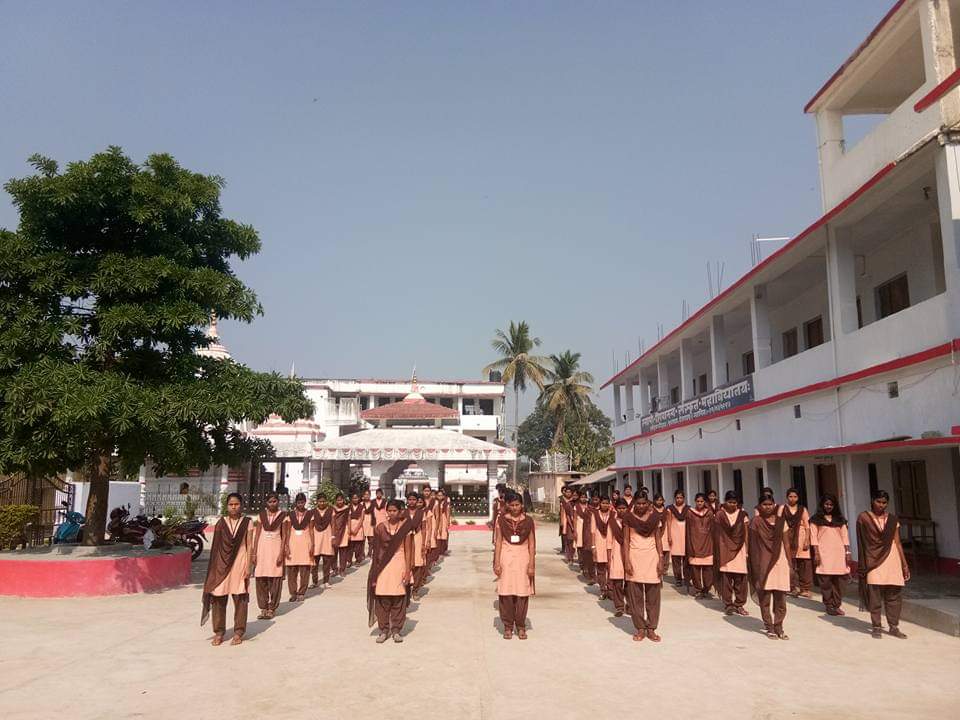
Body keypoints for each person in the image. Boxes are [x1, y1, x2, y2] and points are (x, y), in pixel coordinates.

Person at [856, 490, 910, 639]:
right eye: (878, 501)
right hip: (872, 560)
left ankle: (893, 626)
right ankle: (876, 626)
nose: (881, 505)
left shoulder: (892, 519)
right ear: (872, 500)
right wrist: (864, 563)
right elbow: (862, 542)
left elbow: (897, 542)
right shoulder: (864, 518)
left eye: (884, 502)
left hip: (891, 557)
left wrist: (904, 564)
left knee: (894, 594)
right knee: (875, 593)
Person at [201, 493, 253, 646]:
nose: (234, 507)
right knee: (218, 598)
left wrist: (249, 566)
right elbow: (216, 548)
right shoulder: (221, 523)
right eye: (231, 504)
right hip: (221, 566)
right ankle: (219, 632)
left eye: (236, 504)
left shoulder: (247, 522)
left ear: (241, 505)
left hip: (240, 562)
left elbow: (250, 545)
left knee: (240, 599)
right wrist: (214, 569)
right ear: (226, 506)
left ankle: (238, 632)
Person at [367, 499, 417, 643]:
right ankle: (383, 630)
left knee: (398, 598)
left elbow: (408, 550)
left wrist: (408, 571)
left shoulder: (405, 528)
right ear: (386, 511)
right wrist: (374, 570)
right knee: (382, 597)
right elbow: (376, 551)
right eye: (389, 510)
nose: (392, 513)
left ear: (400, 511)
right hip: (383, 565)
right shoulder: (380, 527)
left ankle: (396, 630)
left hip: (400, 563)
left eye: (394, 510)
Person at [493, 491, 536, 640]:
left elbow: (532, 544)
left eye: (518, 504)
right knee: (506, 592)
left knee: (522, 592)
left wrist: (531, 564)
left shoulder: (529, 521)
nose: (515, 507)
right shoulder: (501, 520)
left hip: (523, 557)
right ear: (508, 506)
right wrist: (497, 562)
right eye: (512, 505)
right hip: (506, 555)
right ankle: (508, 626)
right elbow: (498, 542)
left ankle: (521, 625)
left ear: (522, 505)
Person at [621, 493, 663, 642]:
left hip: (652, 557)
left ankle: (651, 628)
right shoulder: (628, 517)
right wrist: (626, 560)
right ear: (634, 503)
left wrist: (661, 559)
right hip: (634, 556)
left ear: (648, 503)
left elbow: (658, 539)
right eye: (638, 503)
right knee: (635, 596)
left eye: (643, 503)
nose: (641, 506)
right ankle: (640, 628)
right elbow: (626, 540)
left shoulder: (655, 518)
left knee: (653, 596)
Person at [748, 493, 791, 639]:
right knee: (765, 598)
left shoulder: (781, 522)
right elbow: (752, 545)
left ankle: (779, 626)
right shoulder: (756, 522)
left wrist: (790, 564)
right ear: (760, 506)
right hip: (763, 563)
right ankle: (769, 626)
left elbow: (786, 543)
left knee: (781, 599)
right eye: (764, 504)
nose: (768, 507)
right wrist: (755, 565)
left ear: (774, 505)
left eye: (770, 504)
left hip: (780, 561)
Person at [809, 493, 850, 616]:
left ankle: (836, 604)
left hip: (838, 553)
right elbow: (813, 537)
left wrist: (847, 552)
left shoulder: (840, 520)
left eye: (831, 504)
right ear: (822, 505)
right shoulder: (816, 520)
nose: (828, 506)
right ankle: (828, 604)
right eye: (826, 504)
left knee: (839, 581)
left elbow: (845, 537)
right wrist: (816, 553)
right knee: (825, 581)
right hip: (823, 553)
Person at [713, 491, 749, 616]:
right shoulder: (719, 515)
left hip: (740, 549)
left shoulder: (742, 514)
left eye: (734, 502)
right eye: (730, 502)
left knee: (740, 579)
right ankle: (728, 604)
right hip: (724, 549)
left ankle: (739, 604)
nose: (732, 505)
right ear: (725, 502)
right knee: (726, 579)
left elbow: (746, 532)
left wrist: (747, 549)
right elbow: (716, 533)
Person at [252, 492, 286, 619]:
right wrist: (254, 553)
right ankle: (263, 607)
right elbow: (257, 534)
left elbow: (285, 536)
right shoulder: (261, 516)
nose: (272, 504)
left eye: (274, 501)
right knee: (261, 578)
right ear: (266, 503)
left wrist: (281, 553)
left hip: (275, 549)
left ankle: (272, 608)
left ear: (278, 502)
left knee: (275, 578)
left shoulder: (283, 516)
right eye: (270, 501)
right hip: (262, 550)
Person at [284, 492, 314, 602]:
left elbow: (311, 530)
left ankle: (302, 592)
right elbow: (287, 531)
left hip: (305, 543)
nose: (300, 504)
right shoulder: (290, 514)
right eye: (298, 502)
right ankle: (293, 593)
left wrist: (312, 545)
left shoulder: (310, 514)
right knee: (291, 570)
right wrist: (286, 545)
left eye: (302, 502)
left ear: (305, 502)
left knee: (305, 569)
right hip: (293, 543)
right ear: (296, 503)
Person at [784, 488, 812, 598]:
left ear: (798, 498)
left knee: (804, 564)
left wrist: (807, 540)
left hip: (801, 538)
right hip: (787, 538)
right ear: (787, 497)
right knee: (789, 563)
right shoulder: (782, 509)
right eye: (790, 496)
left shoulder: (802, 509)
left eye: (795, 496)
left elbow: (807, 526)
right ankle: (791, 587)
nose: (792, 499)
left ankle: (805, 588)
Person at [686, 493, 715, 599]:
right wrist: (689, 544)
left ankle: (706, 589)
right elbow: (688, 529)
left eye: (702, 501)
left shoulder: (709, 513)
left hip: (707, 543)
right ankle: (698, 589)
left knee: (708, 569)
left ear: (705, 502)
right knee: (695, 569)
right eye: (698, 501)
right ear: (695, 501)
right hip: (694, 542)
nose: (699, 503)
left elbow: (713, 529)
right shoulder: (690, 513)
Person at [607, 499, 628, 617]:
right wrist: (609, 558)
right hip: (616, 552)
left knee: (630, 582)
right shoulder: (612, 522)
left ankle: (630, 604)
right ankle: (619, 606)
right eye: (619, 508)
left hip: (630, 553)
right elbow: (609, 541)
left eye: (624, 508)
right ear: (616, 509)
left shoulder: (631, 520)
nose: (622, 510)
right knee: (618, 582)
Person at [311, 494, 335, 589]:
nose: (322, 503)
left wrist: (333, 537)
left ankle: (326, 581)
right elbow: (310, 526)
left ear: (326, 501)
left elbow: (333, 524)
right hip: (316, 538)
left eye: (323, 501)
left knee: (327, 561)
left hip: (327, 537)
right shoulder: (312, 512)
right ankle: (315, 581)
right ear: (317, 502)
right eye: (320, 501)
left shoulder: (330, 511)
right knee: (314, 563)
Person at [666, 490, 689, 590]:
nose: (679, 499)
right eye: (677, 498)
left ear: (684, 498)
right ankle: (678, 579)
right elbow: (668, 522)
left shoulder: (688, 509)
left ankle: (687, 578)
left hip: (685, 535)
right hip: (675, 535)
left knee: (686, 559)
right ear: (674, 498)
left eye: (681, 497)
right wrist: (669, 536)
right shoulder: (670, 509)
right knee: (676, 559)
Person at [592, 496, 613, 598]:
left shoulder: (613, 514)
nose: (605, 505)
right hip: (599, 543)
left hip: (611, 544)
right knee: (601, 568)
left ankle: (610, 588)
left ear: (610, 504)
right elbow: (592, 531)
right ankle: (602, 589)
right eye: (603, 503)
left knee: (611, 567)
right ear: (600, 504)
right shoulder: (595, 514)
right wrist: (593, 546)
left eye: (607, 503)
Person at [331, 493, 351, 575]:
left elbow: (348, 520)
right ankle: (334, 569)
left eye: (341, 500)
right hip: (335, 531)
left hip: (344, 530)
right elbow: (332, 520)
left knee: (343, 551)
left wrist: (349, 531)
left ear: (343, 500)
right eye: (338, 500)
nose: (339, 502)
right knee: (334, 552)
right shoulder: (333, 508)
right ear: (336, 500)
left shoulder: (346, 509)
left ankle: (342, 569)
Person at [559, 485, 577, 563]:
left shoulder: (574, 501)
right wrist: (562, 522)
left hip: (574, 521)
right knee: (567, 539)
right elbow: (562, 512)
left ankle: (572, 555)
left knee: (572, 539)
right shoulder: (563, 501)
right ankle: (568, 555)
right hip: (566, 521)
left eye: (570, 492)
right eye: (567, 492)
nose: (568, 493)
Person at [653, 493, 671, 574]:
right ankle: (657, 565)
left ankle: (665, 568)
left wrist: (669, 534)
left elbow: (669, 522)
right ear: (654, 501)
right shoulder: (652, 510)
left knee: (666, 550)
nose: (659, 502)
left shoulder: (666, 511)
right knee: (657, 549)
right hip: (655, 531)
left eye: (661, 500)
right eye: (657, 500)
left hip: (665, 531)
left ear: (663, 501)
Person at [348, 492, 366, 564]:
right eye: (354, 498)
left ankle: (358, 560)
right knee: (350, 546)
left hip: (359, 527)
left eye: (356, 498)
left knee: (358, 546)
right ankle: (349, 561)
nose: (355, 499)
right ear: (351, 499)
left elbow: (362, 519)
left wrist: (356, 529)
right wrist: (350, 529)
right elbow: (348, 518)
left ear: (359, 499)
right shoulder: (349, 507)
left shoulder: (362, 507)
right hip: (350, 525)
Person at [436, 488, 451, 558]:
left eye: (441, 495)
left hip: (443, 518)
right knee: (438, 534)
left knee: (443, 534)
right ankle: (437, 551)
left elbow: (448, 512)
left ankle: (443, 550)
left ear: (443, 496)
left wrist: (448, 521)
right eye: (438, 495)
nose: (439, 497)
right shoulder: (435, 503)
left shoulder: (445, 503)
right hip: (436, 519)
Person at [362, 489, 375, 558]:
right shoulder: (361, 504)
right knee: (362, 540)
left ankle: (370, 553)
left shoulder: (373, 504)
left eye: (368, 494)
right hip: (363, 524)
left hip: (370, 523)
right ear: (363, 496)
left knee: (371, 541)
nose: (366, 496)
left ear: (370, 495)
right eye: (365, 494)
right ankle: (362, 554)